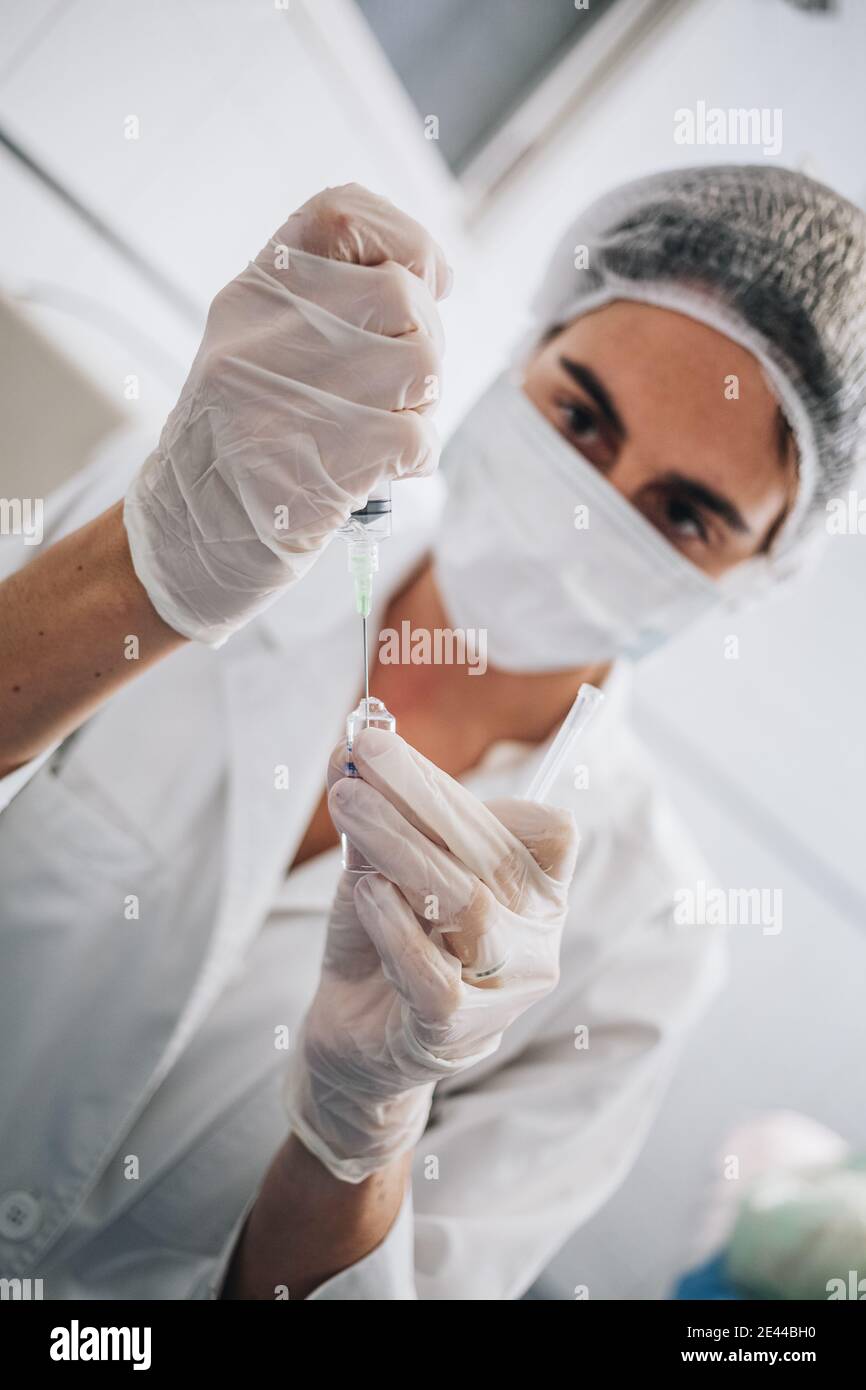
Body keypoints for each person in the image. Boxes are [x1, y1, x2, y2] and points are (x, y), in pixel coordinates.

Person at [1, 166, 864, 1300]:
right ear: (521, 358)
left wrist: (355, 1138)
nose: (583, 511)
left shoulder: (639, 940)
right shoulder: (213, 506)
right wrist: (145, 577)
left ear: (756, 573)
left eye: (683, 513)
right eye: (579, 417)